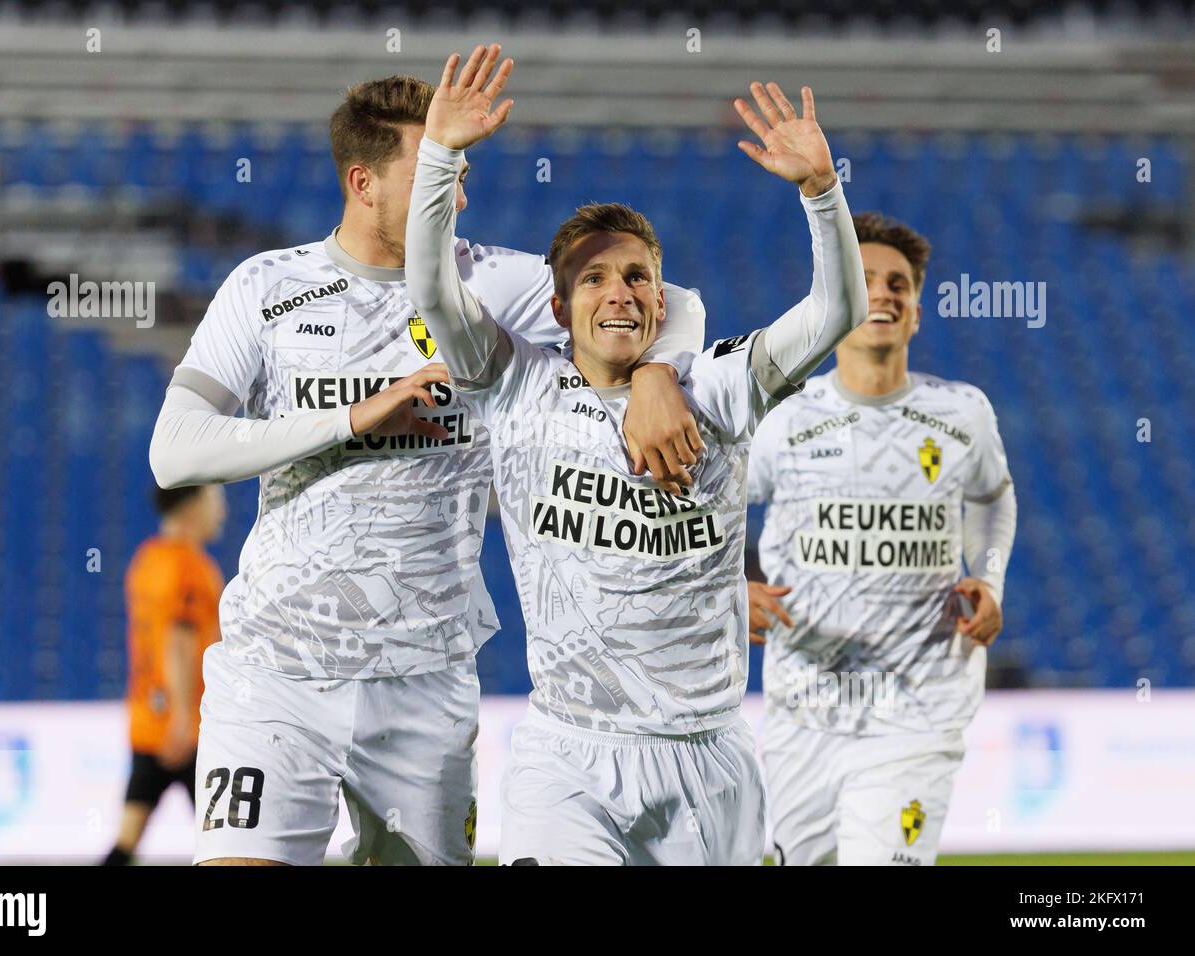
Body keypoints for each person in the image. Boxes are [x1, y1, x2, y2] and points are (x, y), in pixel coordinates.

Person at [148, 54, 707, 866]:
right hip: (279, 666)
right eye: (435, 163)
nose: (459, 190)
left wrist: (658, 371)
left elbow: (676, 299)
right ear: (361, 181)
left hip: (425, 674)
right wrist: (350, 417)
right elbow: (176, 450)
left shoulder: (497, 283)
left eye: (464, 166)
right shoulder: (265, 286)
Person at [405, 45, 867, 863]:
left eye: (637, 276)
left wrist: (821, 193)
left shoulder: (718, 387)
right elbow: (434, 290)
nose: (617, 290)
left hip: (709, 758)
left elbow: (834, 313)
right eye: (592, 279)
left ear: (663, 297)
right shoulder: (515, 384)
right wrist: (441, 155)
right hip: (568, 753)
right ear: (558, 304)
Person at [745, 211, 1018, 865]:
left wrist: (989, 575)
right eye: (865, 282)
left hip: (918, 703)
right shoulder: (781, 417)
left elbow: (992, 497)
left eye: (899, 284)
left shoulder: (962, 412)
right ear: (838, 306)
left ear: (917, 311)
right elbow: (707, 507)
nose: (885, 294)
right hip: (803, 706)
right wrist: (735, 587)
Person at [103, 484, 226, 866]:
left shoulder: (147, 560)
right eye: (214, 498)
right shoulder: (187, 565)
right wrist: (184, 717)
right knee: (228, 840)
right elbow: (179, 639)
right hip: (186, 726)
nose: (221, 511)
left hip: (147, 719)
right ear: (192, 507)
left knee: (127, 839)